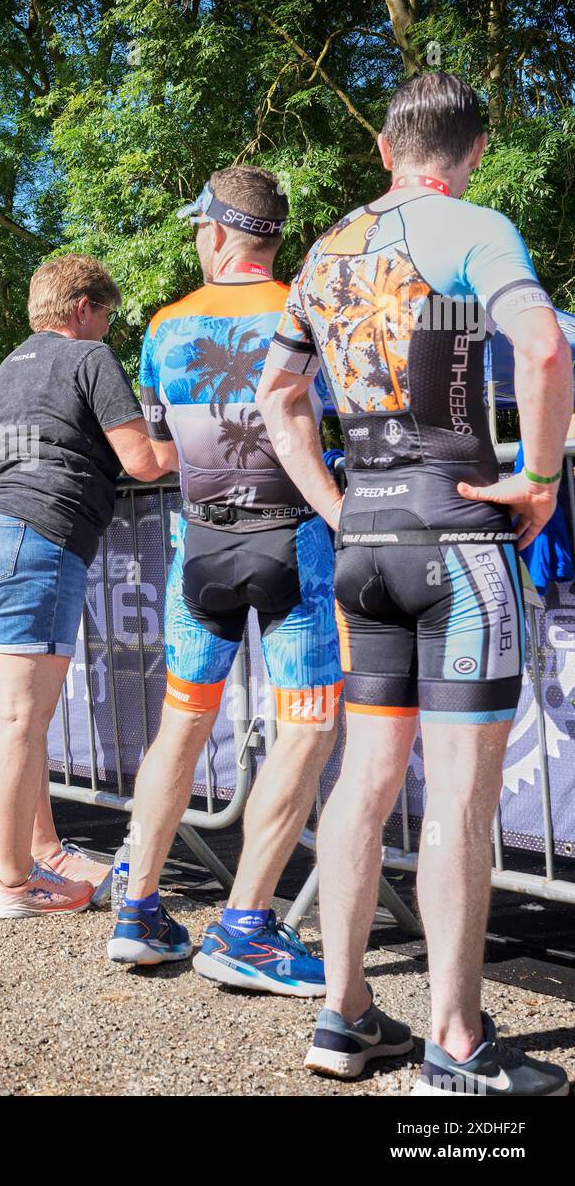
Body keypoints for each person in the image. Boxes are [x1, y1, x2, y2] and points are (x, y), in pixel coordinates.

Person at [258, 71, 571, 1096]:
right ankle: (452, 1037)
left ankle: (344, 1014)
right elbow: (542, 344)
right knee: (459, 803)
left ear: (387, 150)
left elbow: (278, 394)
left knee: (364, 783)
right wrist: (539, 475)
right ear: (472, 152)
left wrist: (333, 501)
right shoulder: (475, 227)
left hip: (366, 544)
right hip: (457, 541)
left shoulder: (322, 253)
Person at [108, 167, 340, 993]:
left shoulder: (168, 324)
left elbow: (164, 443)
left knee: (183, 723)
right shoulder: (307, 308)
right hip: (296, 545)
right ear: (271, 236)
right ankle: (245, 925)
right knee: (305, 729)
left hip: (199, 548)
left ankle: (138, 909)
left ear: (215, 233)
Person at [0, 254, 169, 917]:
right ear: (83, 308)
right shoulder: (88, 358)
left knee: (17, 719)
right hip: (34, 536)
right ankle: (13, 886)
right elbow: (144, 460)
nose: (108, 328)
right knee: (21, 719)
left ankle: (39, 853)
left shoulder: (12, 365)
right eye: (106, 315)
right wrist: (219, 445)